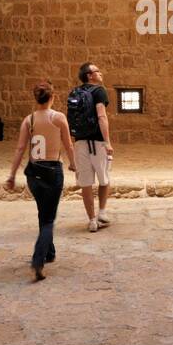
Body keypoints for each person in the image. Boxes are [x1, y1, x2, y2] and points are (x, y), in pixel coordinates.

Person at [6, 80, 76, 281]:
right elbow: (68, 145)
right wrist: (73, 164)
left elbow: (20, 149)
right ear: (53, 97)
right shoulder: (59, 118)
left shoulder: (29, 120)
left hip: (34, 172)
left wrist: (12, 175)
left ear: (36, 99)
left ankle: (49, 252)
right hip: (52, 171)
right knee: (48, 219)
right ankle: (38, 259)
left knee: (43, 212)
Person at [66, 62, 113, 233]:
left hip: (80, 142)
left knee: (85, 183)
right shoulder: (99, 91)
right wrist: (107, 141)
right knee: (104, 178)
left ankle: (92, 221)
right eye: (97, 71)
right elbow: (102, 116)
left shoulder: (75, 92)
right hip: (97, 142)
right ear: (89, 75)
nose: (100, 73)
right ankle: (102, 212)